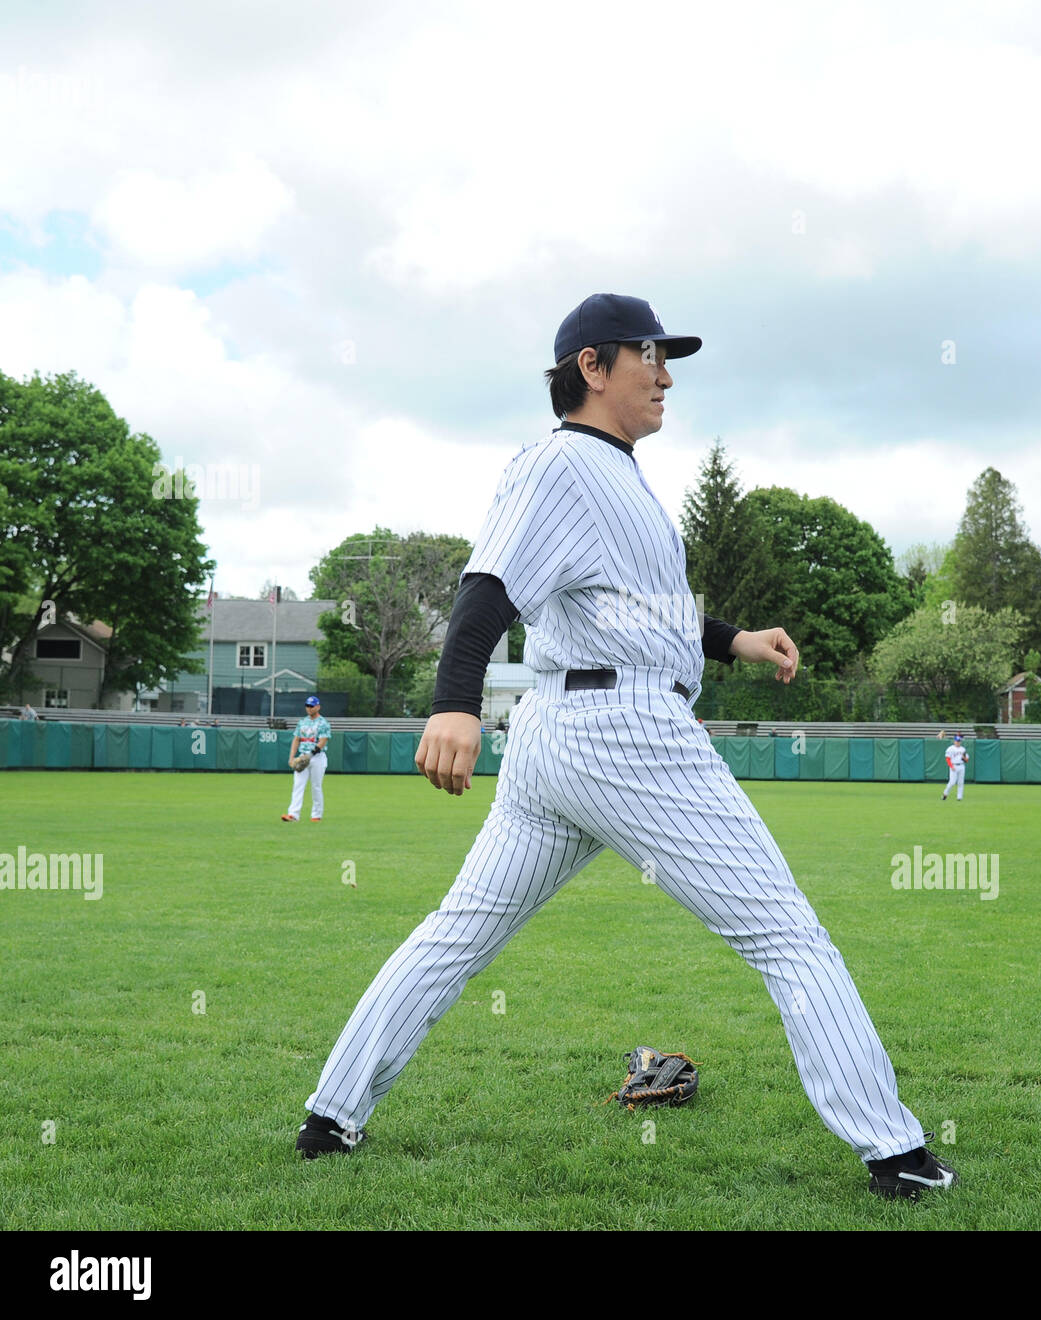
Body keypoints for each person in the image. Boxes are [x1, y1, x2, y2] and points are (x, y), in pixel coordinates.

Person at [294, 293, 956, 1201]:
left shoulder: (614, 473)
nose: (667, 374)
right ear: (593, 367)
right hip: (625, 735)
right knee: (787, 933)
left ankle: (331, 1116)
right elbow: (488, 581)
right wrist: (452, 703)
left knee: (457, 934)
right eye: (651, 355)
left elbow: (639, 608)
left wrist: (733, 640)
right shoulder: (562, 461)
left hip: (563, 739)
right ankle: (895, 1153)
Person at [282, 696, 330, 823]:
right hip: (302, 756)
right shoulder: (302, 722)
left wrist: (310, 755)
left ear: (318, 707)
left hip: (317, 757)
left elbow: (323, 741)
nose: (309, 708)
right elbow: (296, 739)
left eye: (311, 706)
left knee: (316, 786)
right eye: (307, 706)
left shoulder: (323, 722)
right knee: (298, 785)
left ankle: (316, 815)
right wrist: (292, 758)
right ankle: (293, 814)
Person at [941, 733, 968, 801]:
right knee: (952, 782)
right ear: (954, 741)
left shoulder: (963, 749)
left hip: (961, 766)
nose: (958, 742)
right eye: (956, 741)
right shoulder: (950, 748)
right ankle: (945, 793)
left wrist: (964, 758)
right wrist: (951, 766)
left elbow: (966, 760)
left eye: (959, 741)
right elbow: (947, 759)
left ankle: (959, 797)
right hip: (954, 766)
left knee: (960, 782)